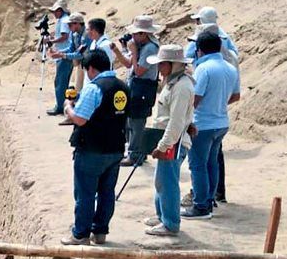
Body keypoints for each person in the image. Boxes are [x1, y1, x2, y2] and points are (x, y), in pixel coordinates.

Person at [62, 46, 129, 245]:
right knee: (107, 193)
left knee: (85, 193)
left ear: (91, 68)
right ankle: (100, 232)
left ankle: (80, 234)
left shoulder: (94, 88)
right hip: (116, 148)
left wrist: (68, 108)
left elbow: (80, 119)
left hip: (92, 149)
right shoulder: (123, 87)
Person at [184, 7, 240, 203]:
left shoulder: (203, 68)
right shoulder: (230, 66)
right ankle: (210, 199)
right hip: (221, 122)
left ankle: (201, 204)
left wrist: (185, 116)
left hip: (203, 123)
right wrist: (218, 103)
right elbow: (236, 95)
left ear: (199, 49)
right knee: (212, 163)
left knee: (198, 165)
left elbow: (196, 99)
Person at [141, 45, 195, 237]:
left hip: (173, 142)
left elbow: (176, 121)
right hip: (168, 138)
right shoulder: (173, 82)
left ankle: (170, 223)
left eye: (162, 64)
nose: (159, 68)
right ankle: (162, 215)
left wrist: (163, 146)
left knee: (168, 182)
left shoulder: (181, 87)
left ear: (174, 64)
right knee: (161, 181)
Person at [112, 14, 162, 167]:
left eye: (135, 33)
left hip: (143, 88)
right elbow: (129, 65)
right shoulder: (141, 46)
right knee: (130, 120)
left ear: (144, 34)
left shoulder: (150, 48)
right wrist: (118, 51)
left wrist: (133, 52)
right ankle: (135, 152)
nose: (132, 37)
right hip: (136, 87)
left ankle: (135, 155)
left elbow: (139, 71)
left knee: (137, 122)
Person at [45, 0, 73, 115]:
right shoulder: (64, 20)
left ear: (60, 10)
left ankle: (60, 106)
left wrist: (52, 41)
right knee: (63, 81)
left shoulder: (64, 21)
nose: (54, 14)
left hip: (63, 55)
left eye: (55, 11)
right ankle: (64, 105)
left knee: (60, 82)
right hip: (64, 54)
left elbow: (64, 37)